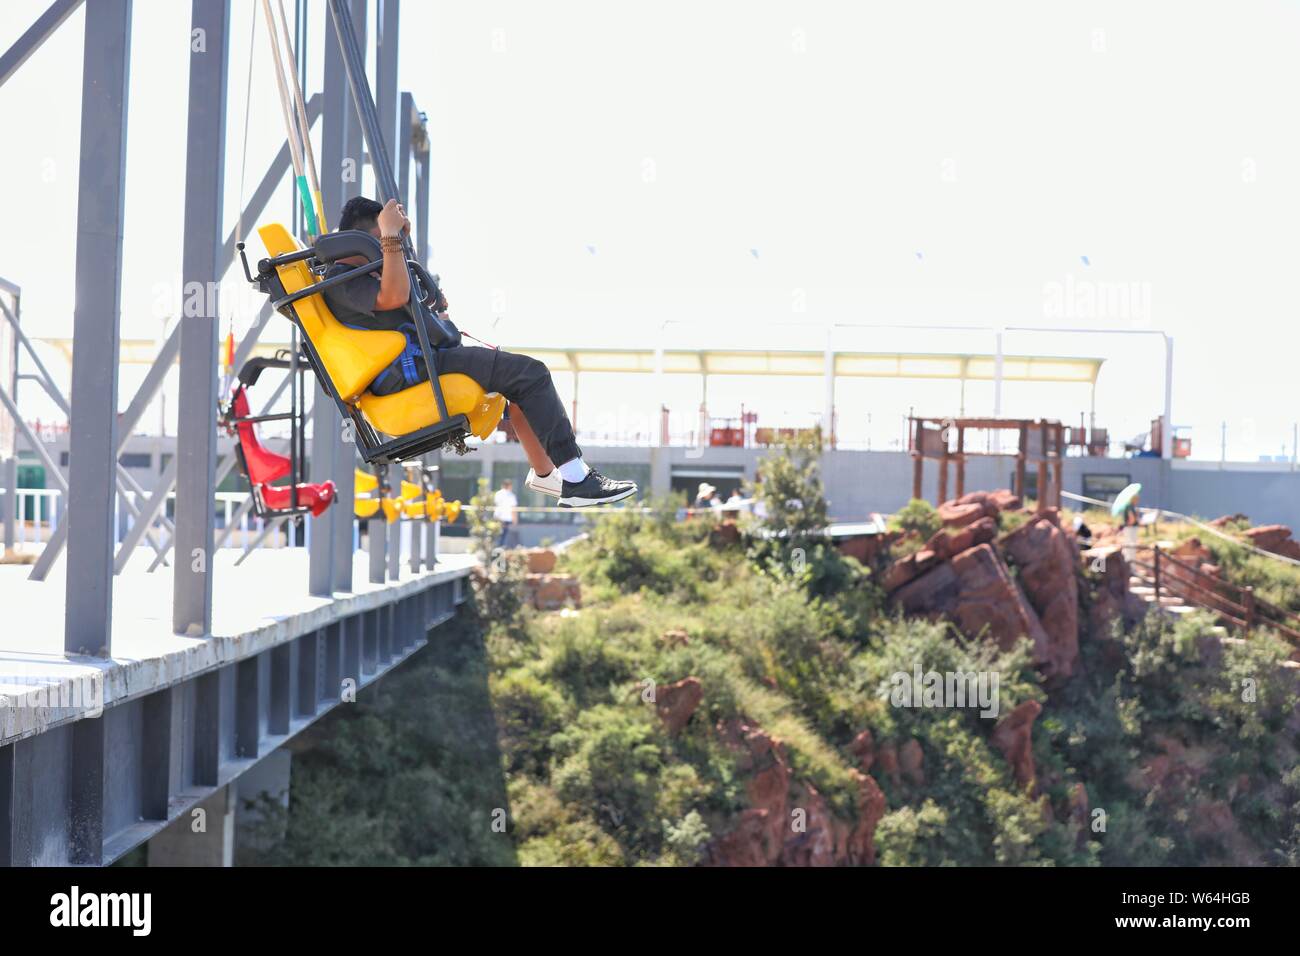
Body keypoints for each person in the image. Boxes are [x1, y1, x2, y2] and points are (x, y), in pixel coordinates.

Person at [320, 196, 636, 508]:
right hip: (411, 370)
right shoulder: (339, 279)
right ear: (361, 241)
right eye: (379, 241)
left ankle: (546, 473)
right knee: (531, 373)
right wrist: (391, 238)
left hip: (420, 362)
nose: (385, 250)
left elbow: (415, 315)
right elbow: (394, 296)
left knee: (523, 384)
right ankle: (577, 479)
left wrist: (434, 310)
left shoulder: (369, 275)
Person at [493, 479, 519, 549]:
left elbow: (495, 504)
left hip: (497, 517)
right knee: (503, 536)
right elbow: (513, 509)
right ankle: (499, 550)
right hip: (506, 518)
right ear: (509, 486)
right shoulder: (511, 495)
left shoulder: (498, 494)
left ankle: (496, 549)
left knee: (497, 535)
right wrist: (515, 520)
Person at [1121, 491, 1140, 562]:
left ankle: (1130, 564)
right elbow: (1131, 520)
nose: (1138, 501)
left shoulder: (1131, 507)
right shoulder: (1129, 507)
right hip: (1130, 529)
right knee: (1130, 548)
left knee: (1130, 547)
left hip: (1130, 529)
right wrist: (1135, 518)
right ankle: (1130, 565)